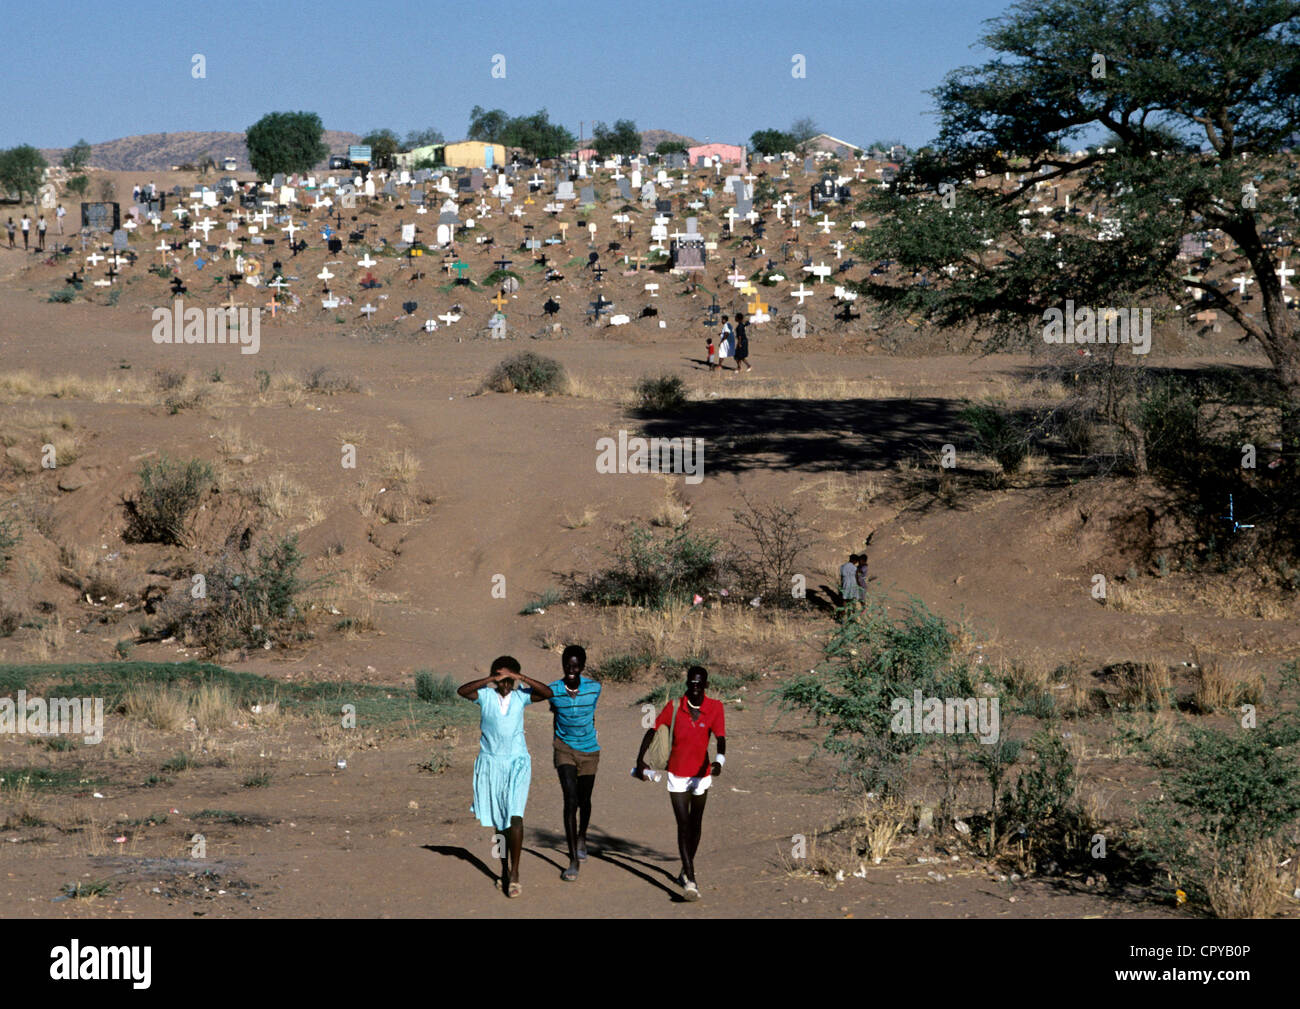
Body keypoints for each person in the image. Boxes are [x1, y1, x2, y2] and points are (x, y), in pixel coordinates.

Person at [457, 656, 554, 898]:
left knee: (515, 817)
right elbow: (462, 691)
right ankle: (503, 869)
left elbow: (548, 693)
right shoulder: (485, 696)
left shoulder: (521, 697)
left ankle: (515, 872)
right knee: (500, 822)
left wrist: (521, 678)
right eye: (502, 680)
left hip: (517, 763)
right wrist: (490, 678)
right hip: (491, 763)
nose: (506, 685)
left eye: (510, 680)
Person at [633, 666, 726, 901]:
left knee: (695, 824)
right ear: (687, 684)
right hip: (677, 775)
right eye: (691, 683)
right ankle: (691, 880)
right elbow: (652, 730)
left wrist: (719, 762)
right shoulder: (675, 707)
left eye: (699, 683)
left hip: (702, 774)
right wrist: (639, 760)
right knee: (683, 825)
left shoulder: (715, 708)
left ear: (706, 685)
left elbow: (721, 738)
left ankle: (685, 869)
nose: (694, 687)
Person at [547, 645, 601, 881]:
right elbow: (553, 711)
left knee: (584, 800)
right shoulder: (553, 689)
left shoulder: (595, 688)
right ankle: (573, 861)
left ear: (583, 667)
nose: (571, 670)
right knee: (570, 800)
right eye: (567, 665)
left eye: (576, 666)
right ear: (562, 665)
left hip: (589, 751)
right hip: (564, 749)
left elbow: (591, 713)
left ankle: (582, 836)